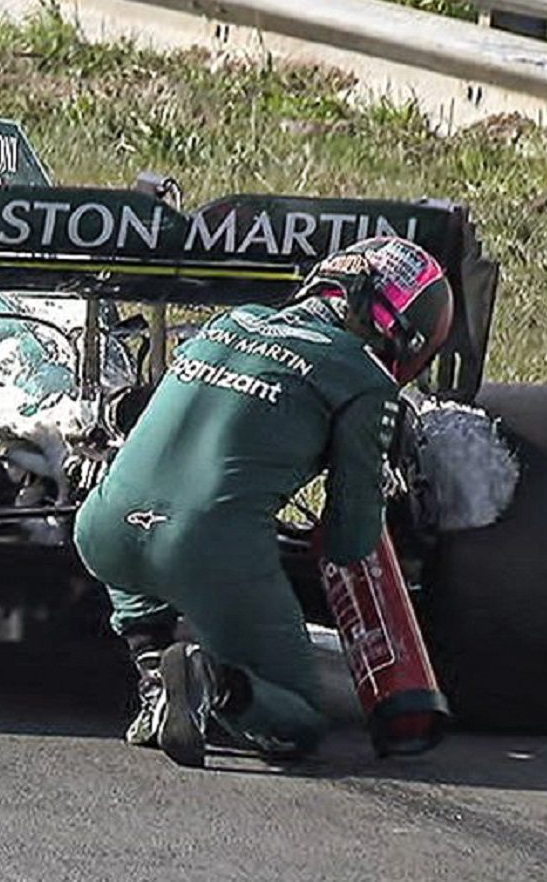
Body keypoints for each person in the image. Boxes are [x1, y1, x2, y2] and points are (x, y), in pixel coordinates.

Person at [73, 236, 455, 768]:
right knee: (298, 720)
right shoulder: (364, 380)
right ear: (404, 335)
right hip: (205, 549)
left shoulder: (228, 322)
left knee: (144, 560)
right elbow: (350, 541)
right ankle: (212, 681)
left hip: (103, 525)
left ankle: (154, 671)